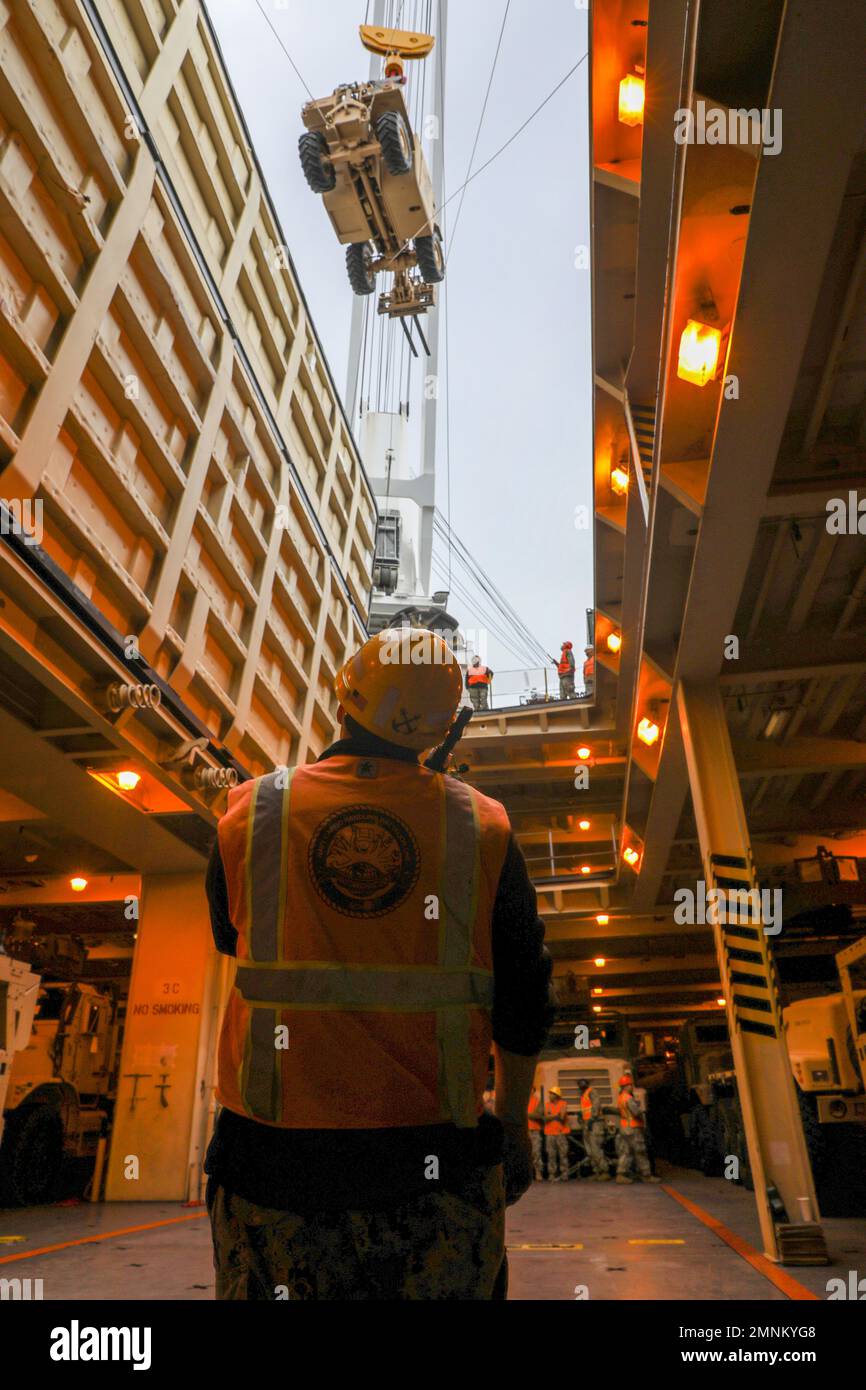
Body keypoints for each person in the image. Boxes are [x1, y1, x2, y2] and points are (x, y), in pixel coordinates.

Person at [204, 626, 553, 1301]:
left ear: (343, 700)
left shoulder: (252, 813)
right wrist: (512, 1127)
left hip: (273, 1166)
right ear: (440, 730)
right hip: (436, 1170)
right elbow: (524, 996)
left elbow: (232, 938)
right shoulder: (482, 827)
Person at [615, 1081, 660, 1185]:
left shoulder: (621, 1097)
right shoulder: (628, 1098)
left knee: (626, 1152)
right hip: (633, 1128)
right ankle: (646, 1175)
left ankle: (621, 1175)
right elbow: (636, 1112)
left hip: (624, 1127)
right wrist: (641, 1114)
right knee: (640, 1151)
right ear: (626, 1086)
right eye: (630, 1085)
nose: (631, 1087)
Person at [577, 1077, 610, 1181]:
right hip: (587, 1124)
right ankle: (597, 1171)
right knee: (590, 1150)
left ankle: (604, 1172)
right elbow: (586, 1109)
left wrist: (593, 1117)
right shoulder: (583, 1095)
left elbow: (596, 1104)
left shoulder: (592, 1092)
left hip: (595, 1123)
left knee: (596, 1148)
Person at [543, 1086, 571, 1182]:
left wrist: (552, 1116)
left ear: (557, 1095)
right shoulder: (547, 1105)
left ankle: (564, 1174)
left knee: (563, 1154)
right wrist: (555, 1115)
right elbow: (545, 1118)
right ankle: (552, 1174)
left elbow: (562, 1117)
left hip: (560, 1133)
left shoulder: (563, 1104)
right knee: (551, 1154)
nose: (550, 1095)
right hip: (550, 1133)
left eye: (552, 1094)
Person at [527, 1084, 545, 1181]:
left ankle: (538, 1173)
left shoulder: (537, 1101)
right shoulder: (521, 1101)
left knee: (536, 1153)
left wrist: (526, 1114)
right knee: (525, 1154)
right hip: (524, 1131)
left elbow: (538, 1115)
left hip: (534, 1131)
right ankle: (527, 1175)